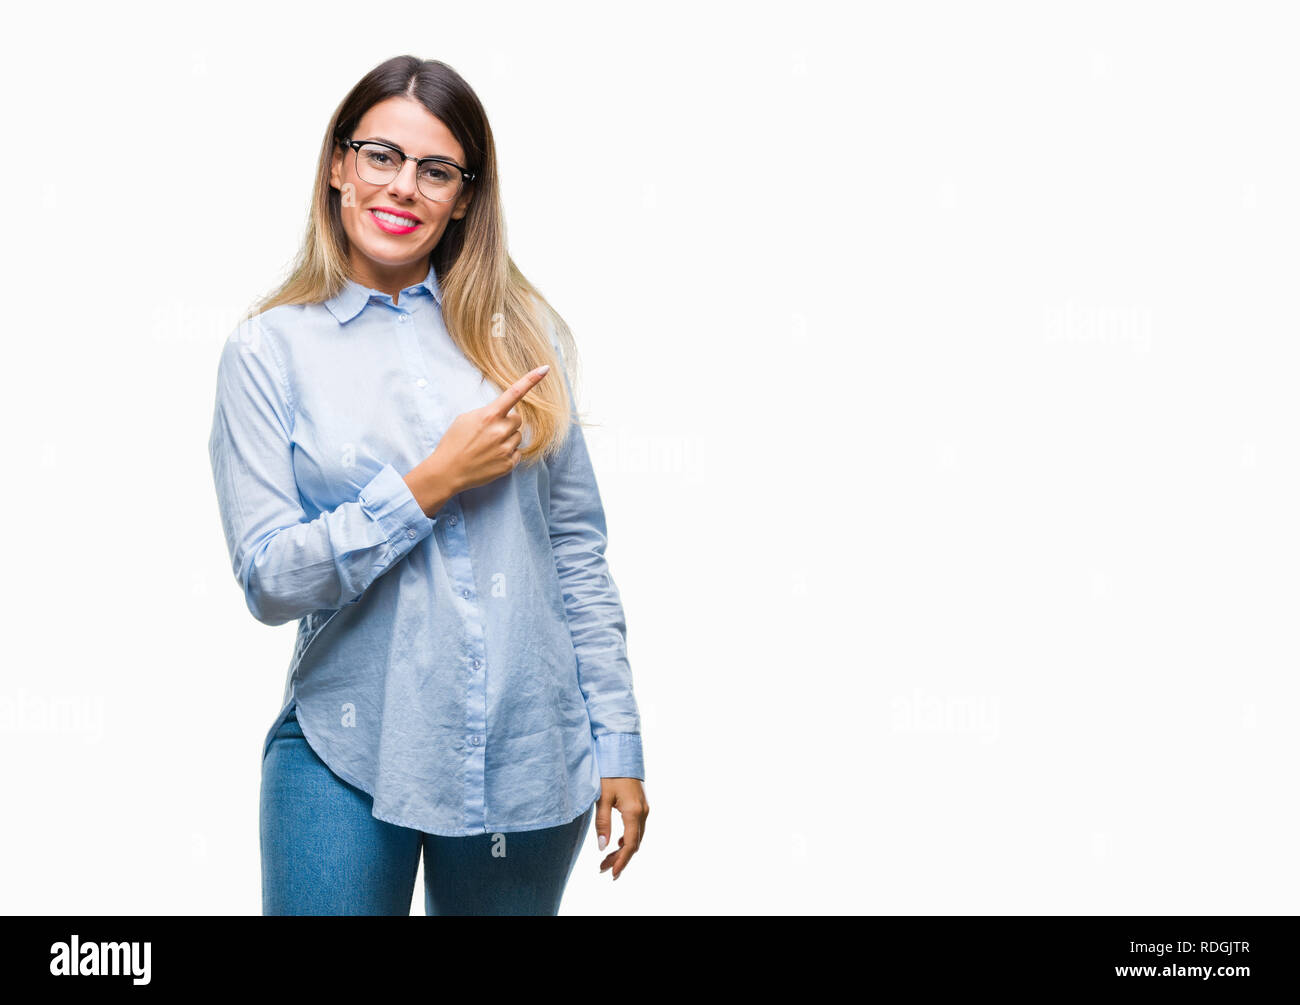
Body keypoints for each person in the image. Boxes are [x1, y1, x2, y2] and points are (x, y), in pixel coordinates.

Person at [207, 55, 648, 915]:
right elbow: (268, 578)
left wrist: (619, 739)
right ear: (339, 165)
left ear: (464, 197)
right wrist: (428, 484)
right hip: (345, 748)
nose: (403, 187)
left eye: (436, 169)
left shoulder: (522, 334)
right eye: (381, 156)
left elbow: (577, 555)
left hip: (528, 753)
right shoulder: (267, 351)